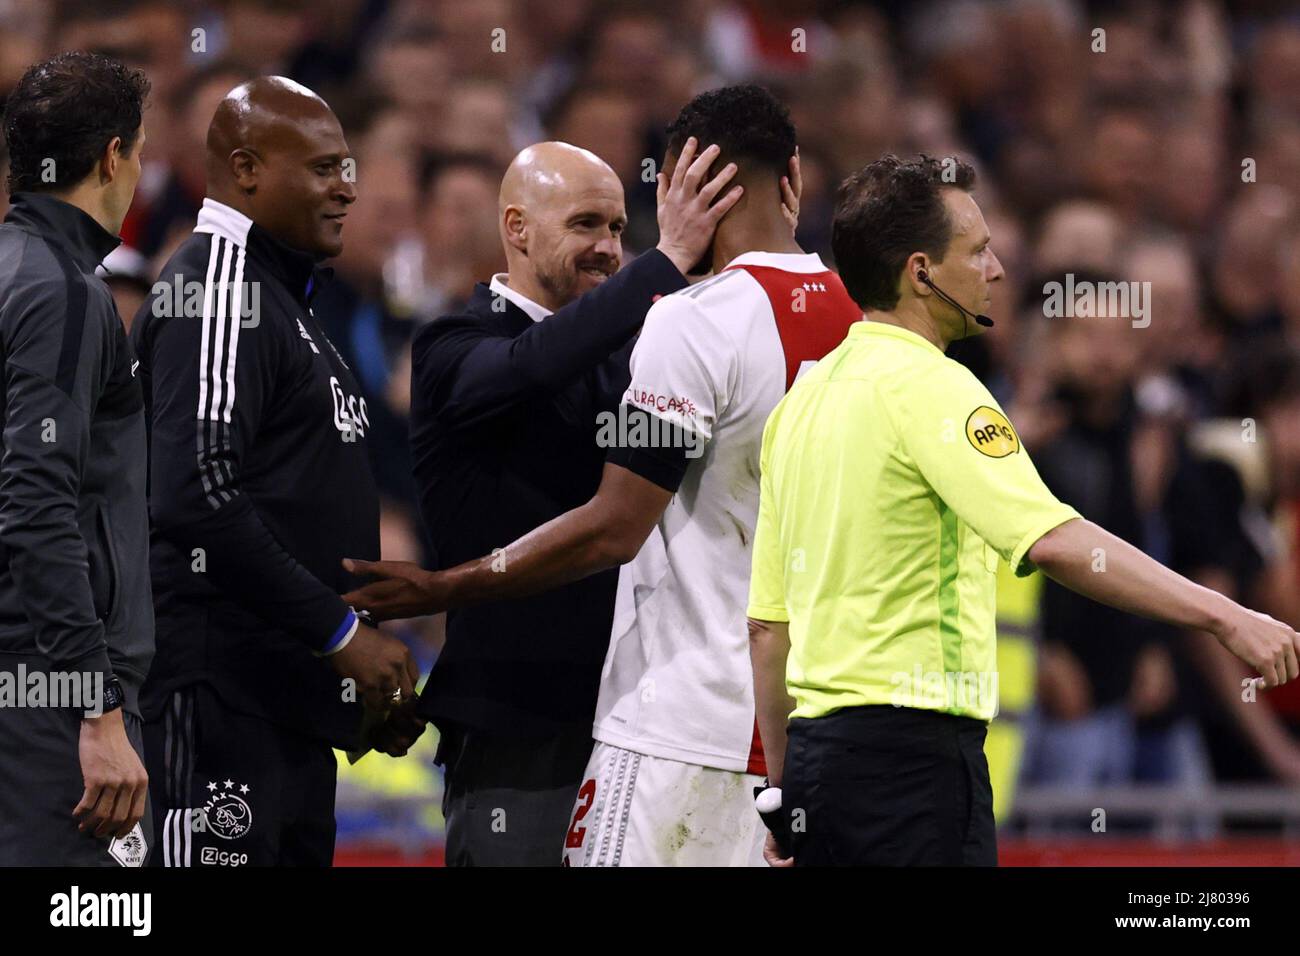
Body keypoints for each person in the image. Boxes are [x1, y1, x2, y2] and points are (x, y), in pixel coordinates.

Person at [345, 84, 859, 867]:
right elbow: (532, 366)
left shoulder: (635, 344)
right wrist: (664, 264)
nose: (607, 247)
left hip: (633, 722)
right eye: (585, 224)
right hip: (520, 723)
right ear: (514, 228)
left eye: (619, 228)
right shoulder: (455, 344)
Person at [745, 154, 1300, 866]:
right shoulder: (940, 389)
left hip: (823, 765)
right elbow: (1056, 540)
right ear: (921, 272)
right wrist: (1225, 615)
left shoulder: (799, 407)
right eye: (976, 252)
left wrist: (788, 787)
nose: (998, 269)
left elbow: (767, 628)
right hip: (914, 769)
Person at [131, 76, 421, 868]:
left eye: (349, 168)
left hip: (284, 706)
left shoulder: (288, 302)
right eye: (326, 169)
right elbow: (195, 494)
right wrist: (339, 635)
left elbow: (287, 500)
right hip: (221, 697)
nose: (348, 190)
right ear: (249, 168)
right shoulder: (221, 289)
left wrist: (341, 675)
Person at [0, 52, 153, 866]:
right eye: (140, 151)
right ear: (110, 159)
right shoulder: (61, 290)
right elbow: (35, 500)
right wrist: (97, 707)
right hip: (47, 704)